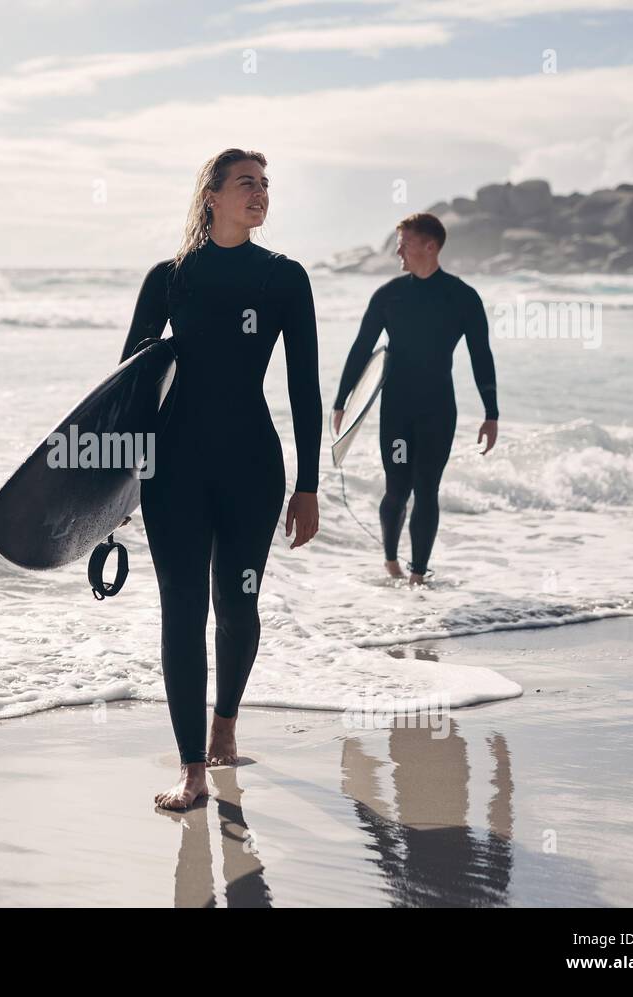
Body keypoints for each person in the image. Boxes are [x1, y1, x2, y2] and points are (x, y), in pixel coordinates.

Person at [120, 148, 322, 811]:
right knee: (182, 610)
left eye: (265, 184)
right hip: (173, 467)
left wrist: (308, 484)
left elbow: (304, 385)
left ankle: (225, 722)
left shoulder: (284, 279)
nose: (260, 194)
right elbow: (130, 387)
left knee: (236, 605)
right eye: (246, 183)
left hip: (252, 467)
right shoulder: (169, 279)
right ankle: (192, 771)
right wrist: (112, 488)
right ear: (212, 194)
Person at [332, 212, 498, 586]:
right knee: (397, 488)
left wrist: (491, 412)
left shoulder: (463, 298)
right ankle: (391, 560)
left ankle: (418, 576)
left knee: (427, 490)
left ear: (430, 246)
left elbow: (481, 356)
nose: (398, 252)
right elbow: (362, 349)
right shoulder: (389, 296)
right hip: (397, 410)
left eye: (404, 244)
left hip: (438, 410)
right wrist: (342, 401)